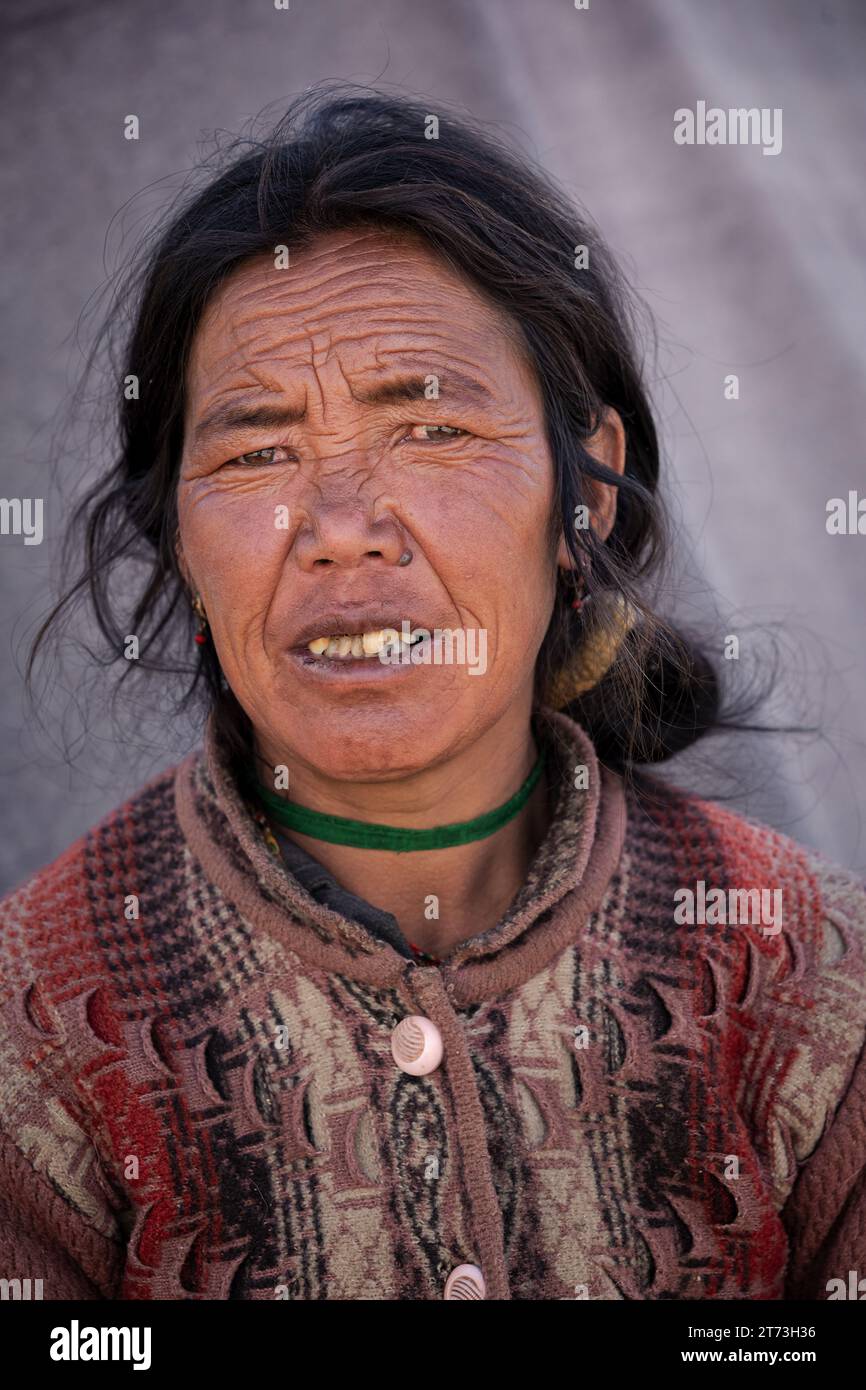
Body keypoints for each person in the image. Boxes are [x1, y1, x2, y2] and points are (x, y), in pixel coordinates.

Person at [1, 87, 864, 1302]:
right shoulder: (35, 1032)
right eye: (256, 452)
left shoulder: (810, 983)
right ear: (183, 541)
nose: (342, 533)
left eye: (430, 429)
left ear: (587, 496)